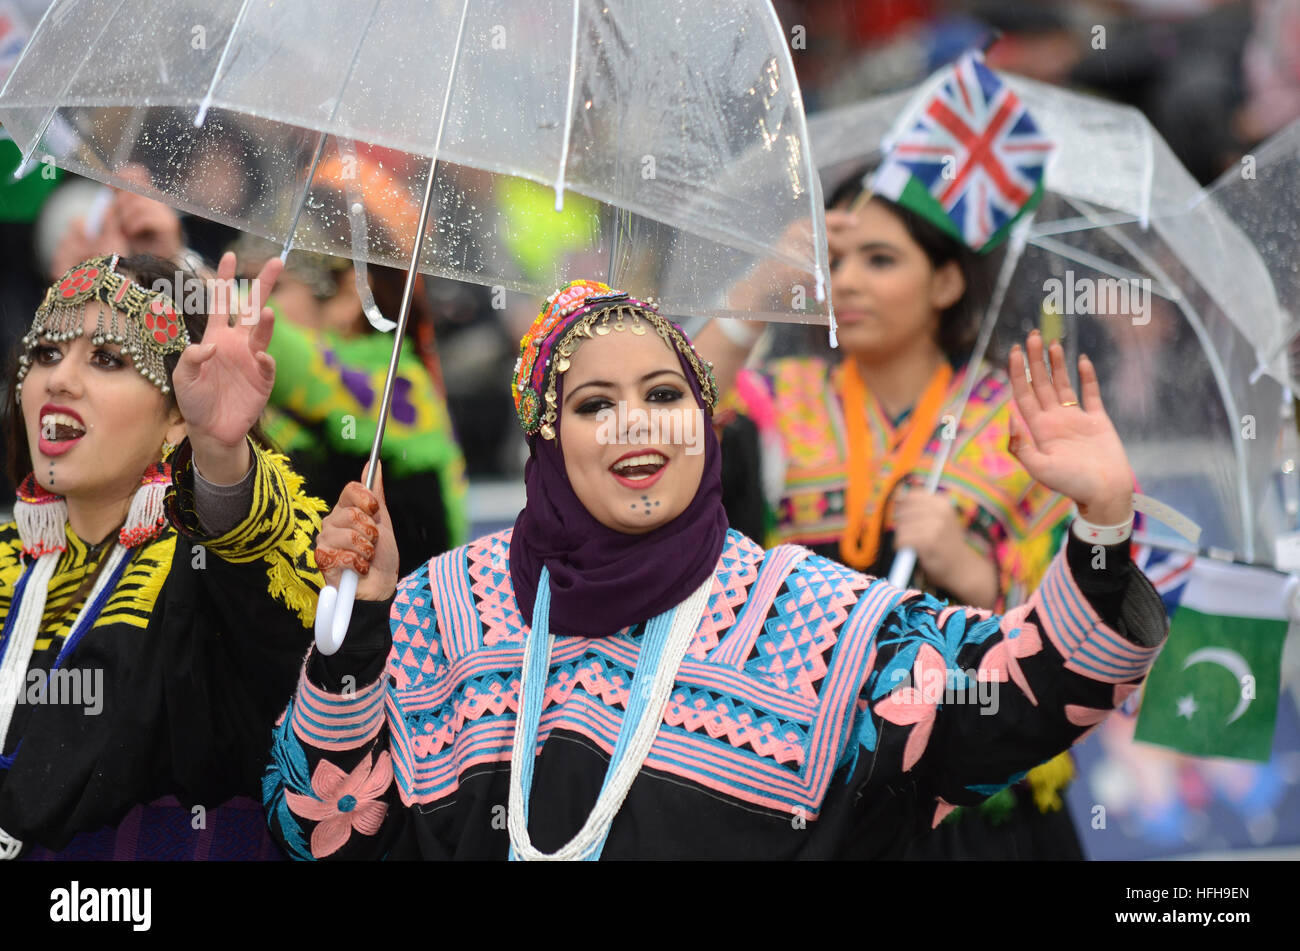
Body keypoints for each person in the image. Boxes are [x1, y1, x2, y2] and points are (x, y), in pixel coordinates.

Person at [262, 279, 1167, 860]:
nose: (638, 425)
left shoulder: (816, 619)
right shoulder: (444, 607)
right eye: (594, 403)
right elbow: (318, 829)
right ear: (545, 438)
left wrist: (1099, 523)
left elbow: (1024, 695)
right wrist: (356, 627)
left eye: (665, 396)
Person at [0, 251, 325, 859]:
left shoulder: (202, 571)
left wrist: (221, 454)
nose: (59, 380)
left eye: (106, 359)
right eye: (46, 352)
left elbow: (263, 604)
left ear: (177, 416)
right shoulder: (9, 562)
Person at [230, 238, 469, 577]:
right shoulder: (263, 396)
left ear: (346, 296)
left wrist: (198, 292)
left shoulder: (397, 384)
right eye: (244, 284)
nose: (253, 300)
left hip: (392, 618)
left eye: (275, 285)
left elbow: (310, 372)